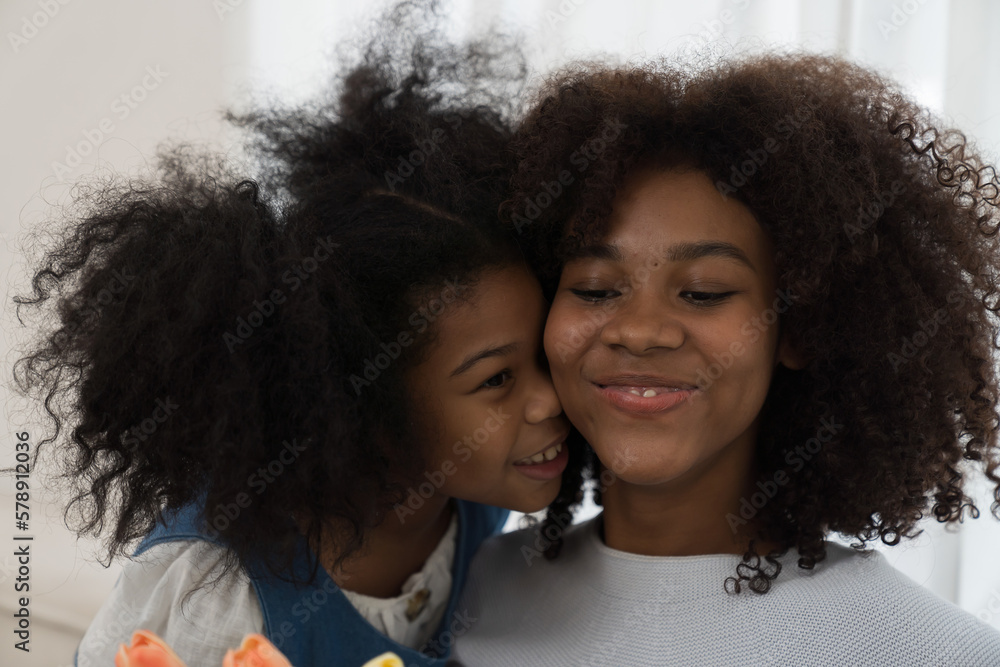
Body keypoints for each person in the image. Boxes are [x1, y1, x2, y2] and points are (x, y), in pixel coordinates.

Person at [11, 8, 570, 666]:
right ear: (365, 405)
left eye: (543, 355)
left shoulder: (475, 515)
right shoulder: (211, 600)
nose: (549, 401)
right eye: (497, 379)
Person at [452, 53, 1000, 665]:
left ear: (799, 330)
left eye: (704, 293)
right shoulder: (470, 590)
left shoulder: (928, 652)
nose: (639, 332)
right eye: (595, 289)